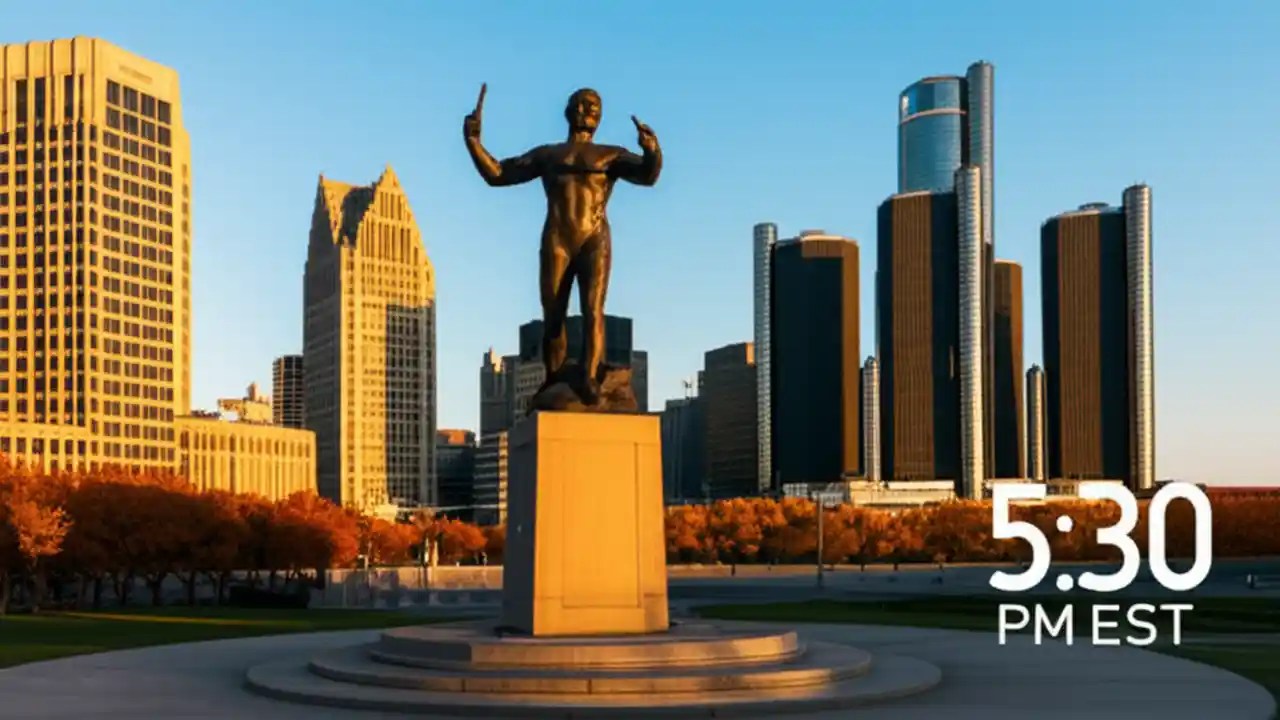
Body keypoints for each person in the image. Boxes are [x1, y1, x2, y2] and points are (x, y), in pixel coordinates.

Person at [464, 85, 662, 402]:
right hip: (558, 237)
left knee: (593, 309)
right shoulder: (548, 154)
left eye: (595, 105)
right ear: (568, 112)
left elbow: (648, 175)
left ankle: (589, 377)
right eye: (581, 104)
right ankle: (554, 378)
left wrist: (653, 150)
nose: (588, 109)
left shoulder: (610, 155)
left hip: (594, 236)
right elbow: (498, 174)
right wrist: (473, 142)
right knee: (552, 314)